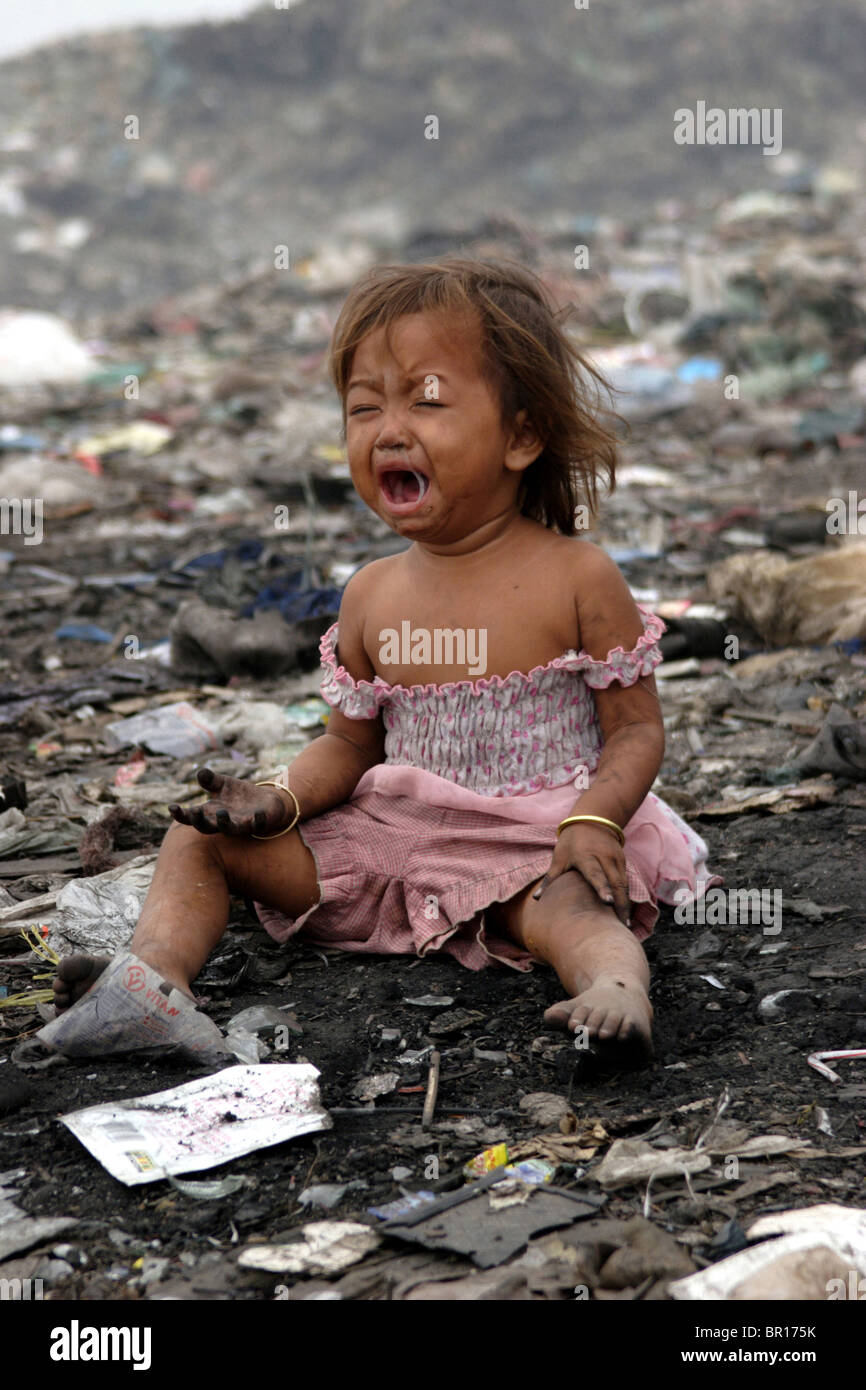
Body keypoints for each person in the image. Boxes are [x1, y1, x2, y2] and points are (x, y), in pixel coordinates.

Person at [53, 257, 719, 1067]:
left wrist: (594, 820)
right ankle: (151, 979)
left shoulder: (578, 577)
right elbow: (350, 746)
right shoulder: (370, 593)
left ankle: (616, 993)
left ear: (521, 435)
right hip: (394, 841)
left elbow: (636, 731)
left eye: (427, 400)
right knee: (196, 841)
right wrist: (281, 800)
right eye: (363, 407)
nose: (388, 429)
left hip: (536, 840)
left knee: (576, 912)